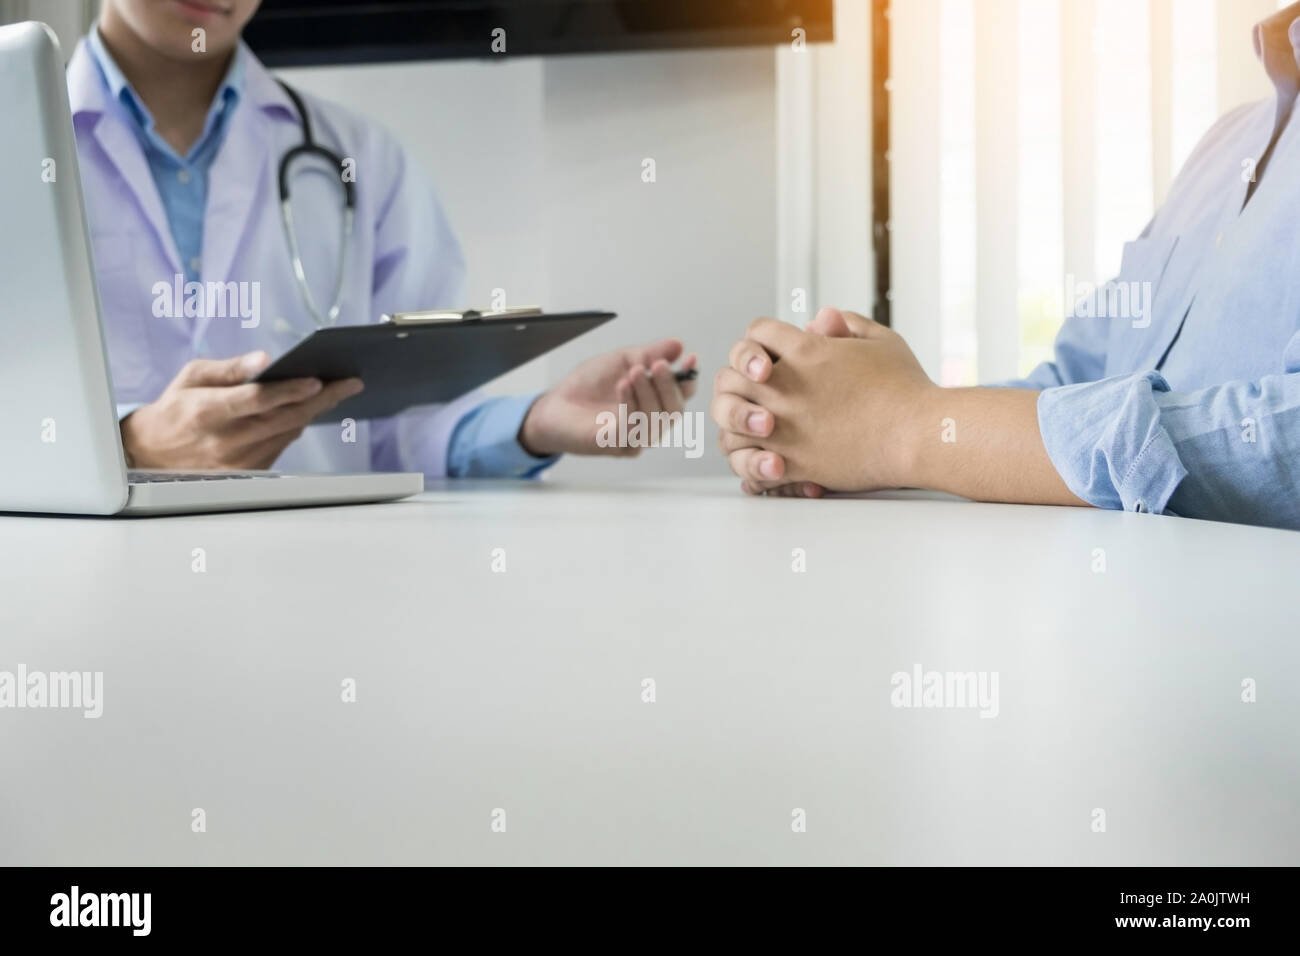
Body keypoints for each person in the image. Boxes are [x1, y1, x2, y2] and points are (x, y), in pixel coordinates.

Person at [712, 2, 1300, 531]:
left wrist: (905, 425)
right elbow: (1077, 384)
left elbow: (1283, 441)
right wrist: (834, 419)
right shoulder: (1230, 142)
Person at [74, 0, 696, 476]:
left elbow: (398, 426)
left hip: (315, 580)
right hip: (69, 584)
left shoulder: (360, 159)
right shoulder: (18, 139)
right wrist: (128, 445)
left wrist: (535, 422)